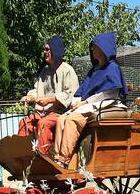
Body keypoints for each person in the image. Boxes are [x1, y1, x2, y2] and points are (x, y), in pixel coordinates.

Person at [52, 32, 127, 167]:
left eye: (95, 46)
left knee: (71, 120)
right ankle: (57, 156)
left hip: (104, 104)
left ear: (103, 49)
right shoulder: (94, 71)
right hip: (88, 105)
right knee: (60, 119)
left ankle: (63, 159)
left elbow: (110, 93)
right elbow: (82, 91)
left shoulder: (112, 68)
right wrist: (76, 102)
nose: (92, 49)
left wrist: (85, 102)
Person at [17, 36, 78, 154]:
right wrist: (30, 97)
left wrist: (49, 100)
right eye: (44, 50)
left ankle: (42, 156)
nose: (44, 52)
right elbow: (37, 89)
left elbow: (70, 94)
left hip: (61, 112)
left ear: (56, 50)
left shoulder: (67, 70)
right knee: (25, 123)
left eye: (47, 49)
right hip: (43, 112)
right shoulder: (45, 71)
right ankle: (22, 155)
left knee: (43, 124)